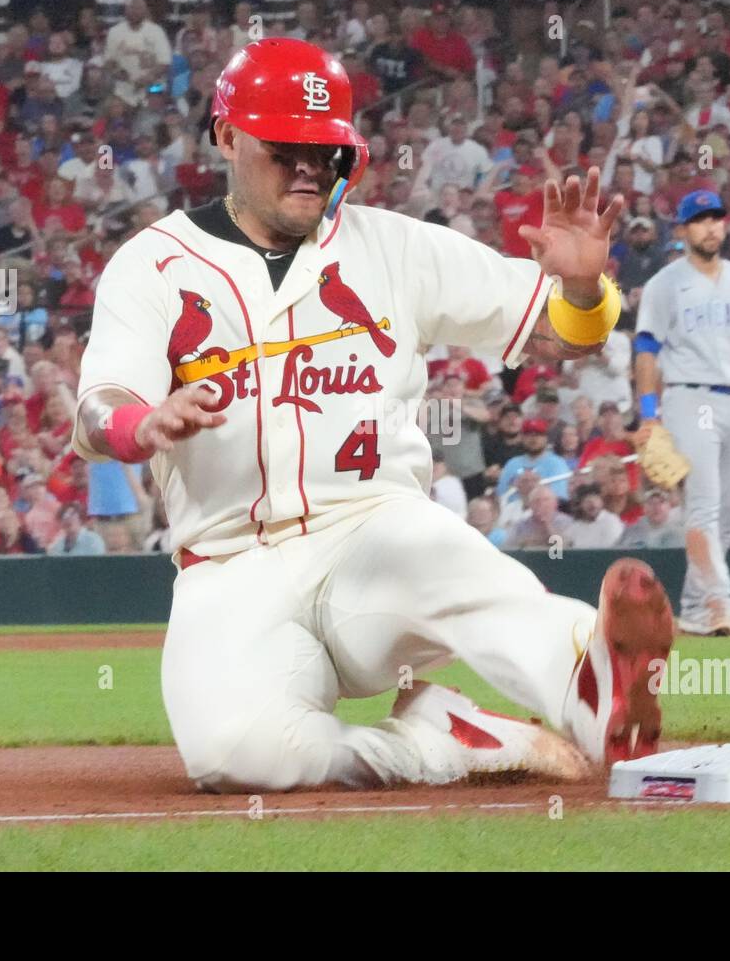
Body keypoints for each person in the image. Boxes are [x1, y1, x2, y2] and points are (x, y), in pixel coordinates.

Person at [71, 39, 673, 793]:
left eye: (324, 151)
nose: (308, 168)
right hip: (230, 565)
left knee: (451, 560)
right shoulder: (151, 262)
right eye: (286, 146)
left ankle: (590, 678)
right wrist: (138, 426)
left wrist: (586, 291)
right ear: (225, 136)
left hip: (372, 537)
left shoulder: (394, 246)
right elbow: (101, 406)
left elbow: (557, 332)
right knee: (238, 756)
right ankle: (441, 742)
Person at [634, 189, 730, 635]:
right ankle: (720, 604)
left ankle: (695, 610)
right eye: (700, 219)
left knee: (728, 516)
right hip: (688, 397)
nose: (711, 225)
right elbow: (645, 348)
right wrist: (647, 413)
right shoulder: (664, 283)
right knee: (703, 508)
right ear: (682, 229)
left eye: (717, 217)